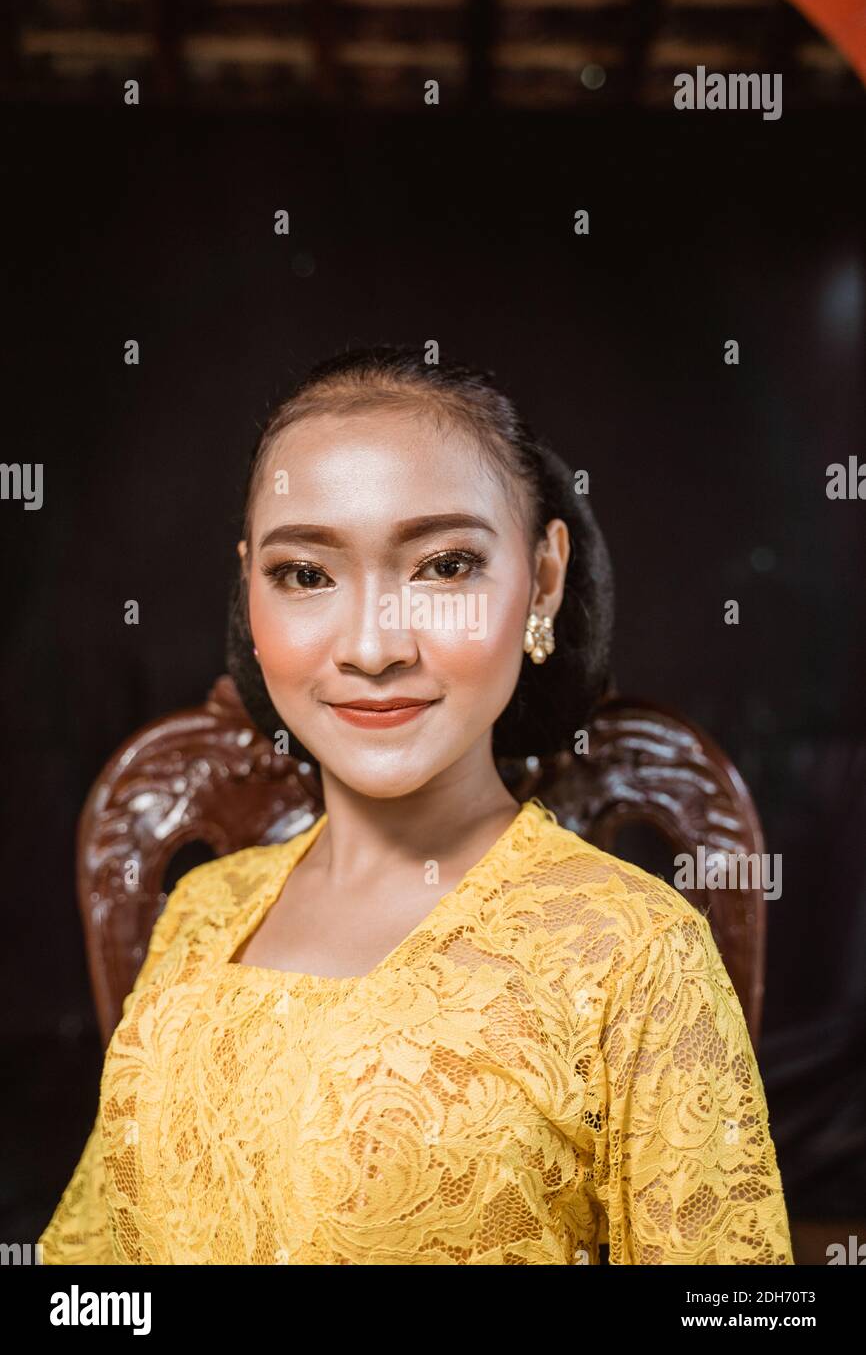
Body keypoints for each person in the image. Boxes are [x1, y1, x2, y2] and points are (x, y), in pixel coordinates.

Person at [39, 345, 794, 1265]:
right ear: (249, 587)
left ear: (543, 581)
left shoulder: (633, 954)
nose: (371, 647)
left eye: (443, 566)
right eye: (306, 574)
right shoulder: (199, 916)